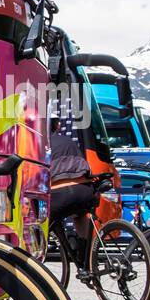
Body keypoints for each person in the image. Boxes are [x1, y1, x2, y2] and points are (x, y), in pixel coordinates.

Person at [47, 90, 99, 275]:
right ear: (57, 124)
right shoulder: (69, 141)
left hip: (59, 196)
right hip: (85, 192)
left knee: (39, 228)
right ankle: (86, 261)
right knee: (80, 214)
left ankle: (30, 274)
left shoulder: (39, 143)